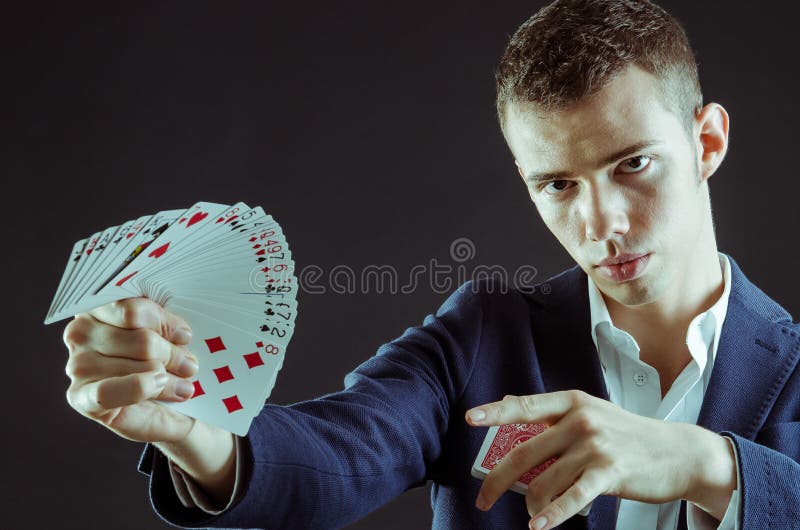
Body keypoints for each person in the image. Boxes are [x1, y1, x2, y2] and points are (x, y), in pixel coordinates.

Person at [62, 0, 800, 529]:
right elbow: (335, 455)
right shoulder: (485, 335)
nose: (600, 222)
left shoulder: (792, 367)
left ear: (707, 143)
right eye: (559, 185)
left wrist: (709, 465)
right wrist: (188, 427)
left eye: (633, 164)